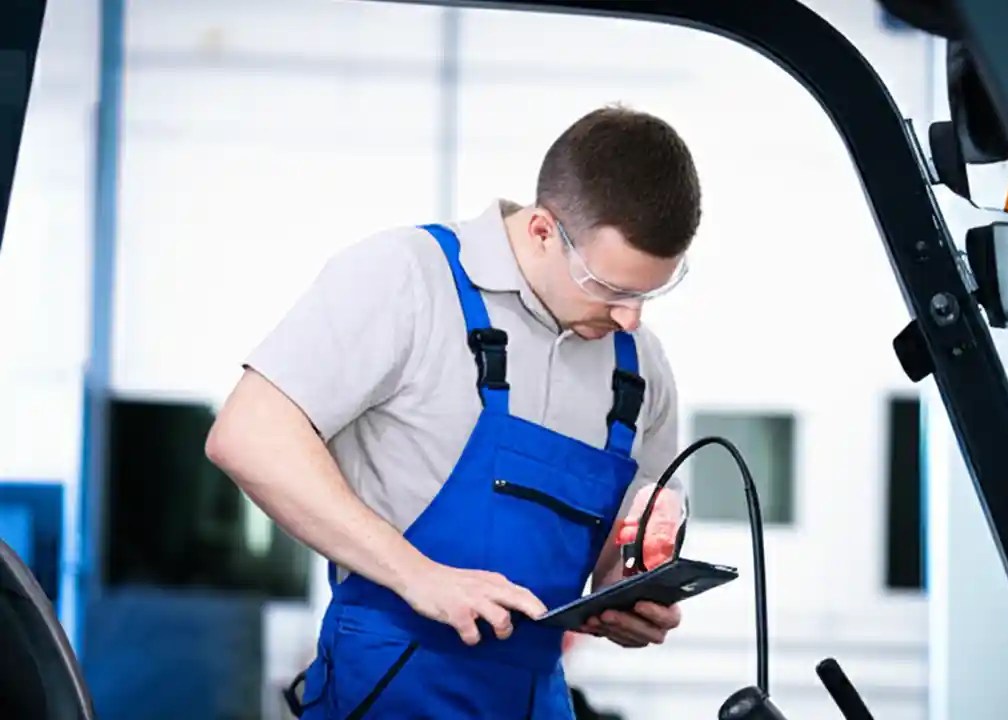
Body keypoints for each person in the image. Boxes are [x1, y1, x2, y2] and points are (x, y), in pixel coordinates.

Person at [205, 104, 701, 719]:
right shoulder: (408, 279)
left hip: (536, 701)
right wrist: (420, 576)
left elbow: (623, 546)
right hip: (386, 689)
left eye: (648, 293)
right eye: (610, 288)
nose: (631, 317)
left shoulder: (640, 366)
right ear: (544, 230)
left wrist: (625, 593)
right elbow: (248, 435)